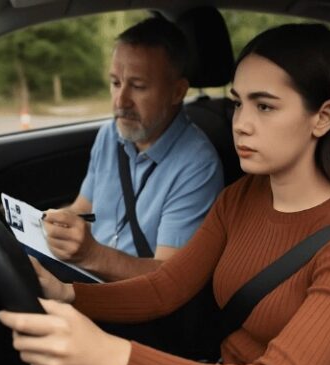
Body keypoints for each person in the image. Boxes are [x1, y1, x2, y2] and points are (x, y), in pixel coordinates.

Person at [0, 23, 330, 365]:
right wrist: (69, 294)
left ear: (322, 118)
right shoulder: (241, 197)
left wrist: (112, 358)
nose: (241, 123)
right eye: (238, 102)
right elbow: (166, 287)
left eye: (265, 106)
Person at [40, 17, 224, 282]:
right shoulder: (109, 135)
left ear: (177, 92)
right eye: (116, 83)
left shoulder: (198, 164)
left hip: (136, 304)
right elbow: (83, 207)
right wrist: (46, 225)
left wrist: (93, 255)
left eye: (138, 86)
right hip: (85, 278)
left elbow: (170, 277)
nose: (121, 101)